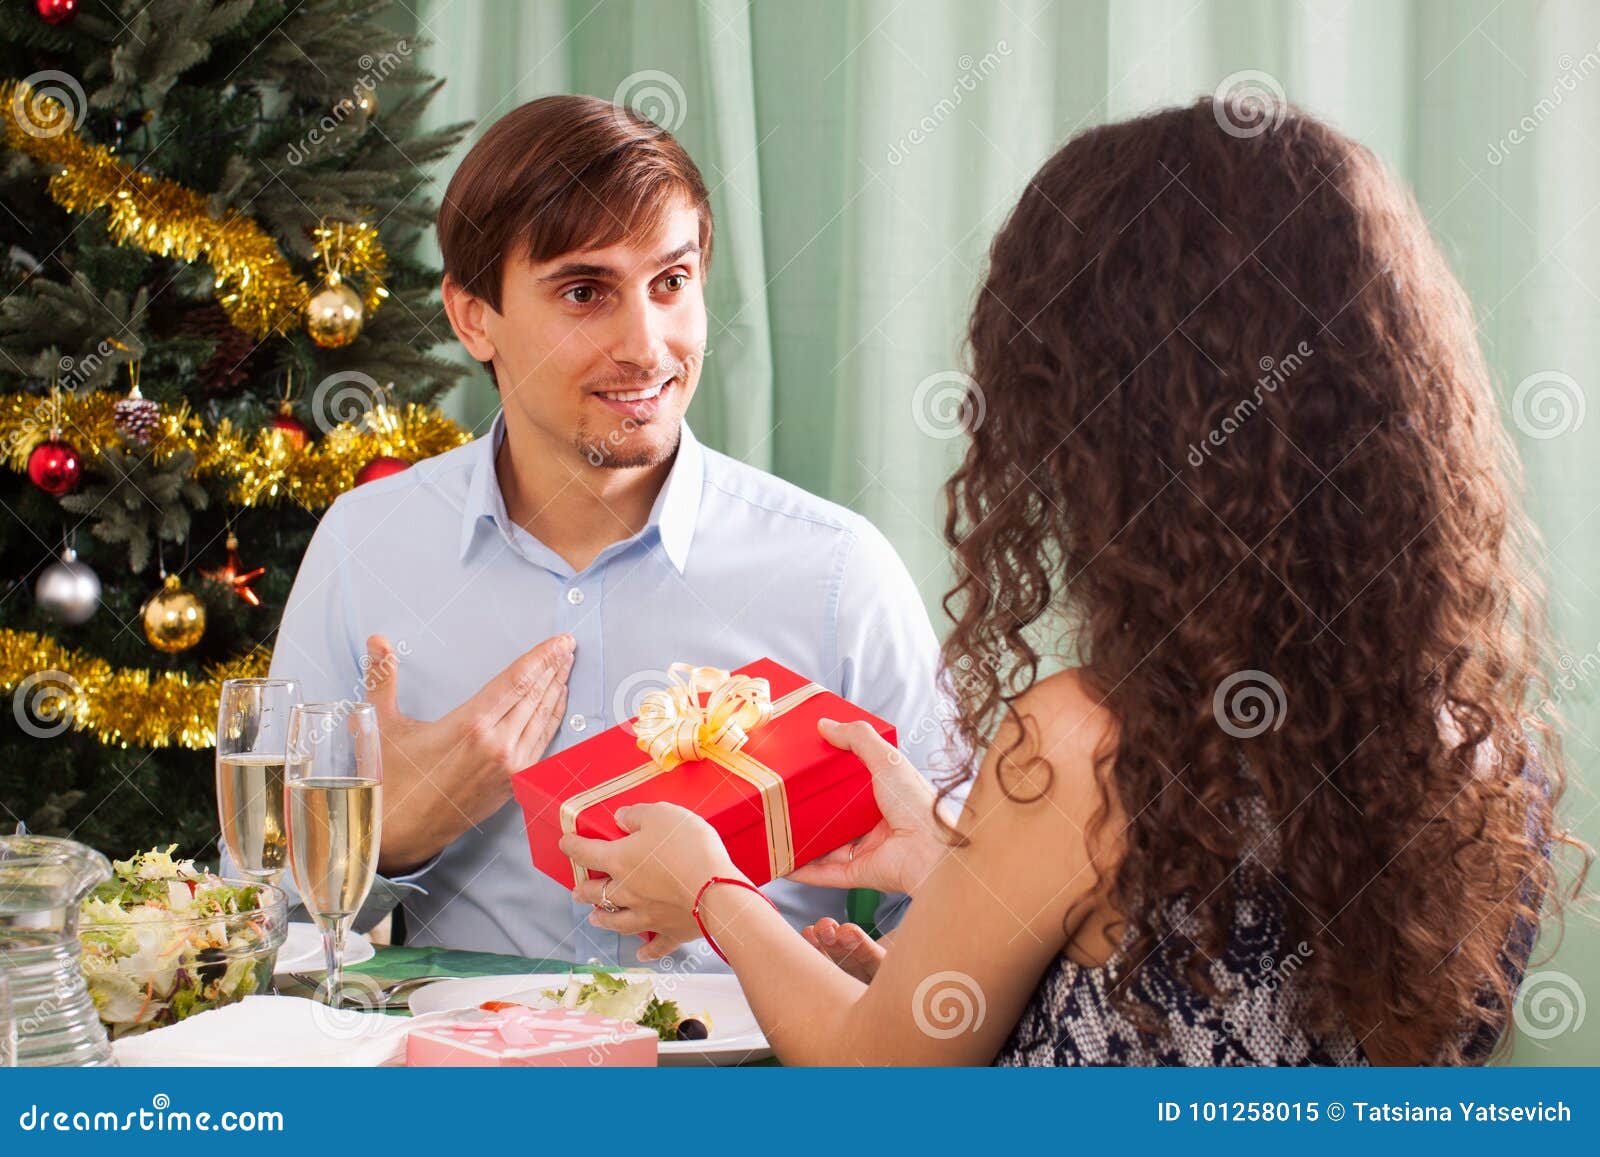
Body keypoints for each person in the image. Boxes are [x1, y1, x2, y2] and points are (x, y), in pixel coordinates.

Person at [562, 97, 1589, 1064]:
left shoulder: (1084, 745)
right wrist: (949, 868)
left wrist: (712, 891)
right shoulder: (1481, 758)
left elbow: (873, 1071)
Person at [229, 95, 946, 966]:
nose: (647, 346)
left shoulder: (837, 572)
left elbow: (971, 896)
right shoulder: (366, 545)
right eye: (583, 291)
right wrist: (392, 835)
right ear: (472, 317)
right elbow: (250, 906)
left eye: (671, 283)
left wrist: (890, 992)